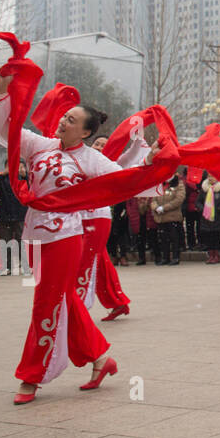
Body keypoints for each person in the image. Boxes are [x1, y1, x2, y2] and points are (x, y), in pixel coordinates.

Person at [0, 82, 123, 404]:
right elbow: (7, 129)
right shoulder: (40, 145)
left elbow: (125, 179)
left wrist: (155, 163)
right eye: (65, 116)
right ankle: (100, 358)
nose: (63, 121)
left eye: (71, 120)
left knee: (45, 302)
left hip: (66, 237)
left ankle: (32, 376)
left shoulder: (90, 159)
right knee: (64, 299)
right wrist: (3, 89)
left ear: (84, 132)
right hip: (35, 235)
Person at [76, 136, 132, 320]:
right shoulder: (83, 160)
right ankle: (118, 301)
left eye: (104, 145)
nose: (99, 147)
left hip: (96, 216)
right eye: (97, 144)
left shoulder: (109, 164)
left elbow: (131, 160)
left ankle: (80, 306)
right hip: (81, 216)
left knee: (87, 262)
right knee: (100, 263)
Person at [0, 160, 27, 270]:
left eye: (20, 167)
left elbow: (33, 187)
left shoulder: (25, 178)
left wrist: (25, 176)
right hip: (4, 215)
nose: (17, 169)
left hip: (20, 214)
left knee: (22, 240)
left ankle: (25, 264)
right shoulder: (1, 179)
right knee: (5, 241)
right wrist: (5, 173)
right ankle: (7, 266)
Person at [150, 173, 186, 266]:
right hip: (161, 217)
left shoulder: (179, 184)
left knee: (174, 238)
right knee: (163, 239)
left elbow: (179, 199)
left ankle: (175, 257)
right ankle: (165, 257)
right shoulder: (160, 184)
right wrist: (156, 207)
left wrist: (164, 208)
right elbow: (153, 199)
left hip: (172, 216)